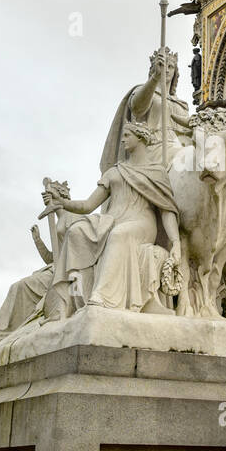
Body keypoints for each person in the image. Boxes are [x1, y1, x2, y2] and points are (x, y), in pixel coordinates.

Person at [40, 121, 180, 321]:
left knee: (118, 235)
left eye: (127, 135)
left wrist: (176, 242)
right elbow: (88, 205)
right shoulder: (115, 171)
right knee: (76, 232)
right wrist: (62, 203)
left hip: (141, 223)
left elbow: (167, 210)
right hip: (113, 219)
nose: (123, 139)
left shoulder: (156, 172)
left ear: (140, 138)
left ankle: (102, 297)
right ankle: (71, 300)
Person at [0, 179, 71, 352]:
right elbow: (52, 258)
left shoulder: (73, 218)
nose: (47, 196)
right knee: (17, 287)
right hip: (54, 269)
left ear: (63, 195)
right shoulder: (59, 222)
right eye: (47, 194)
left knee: (19, 287)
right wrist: (38, 240)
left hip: (65, 271)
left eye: (51, 193)